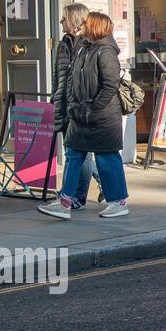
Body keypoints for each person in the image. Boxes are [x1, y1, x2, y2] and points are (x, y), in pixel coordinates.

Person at [39, 12, 130, 219]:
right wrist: (73, 104)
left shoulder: (106, 51)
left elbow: (110, 85)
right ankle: (65, 201)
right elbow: (72, 79)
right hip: (80, 115)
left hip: (102, 117)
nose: (83, 26)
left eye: (87, 23)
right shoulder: (85, 49)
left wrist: (92, 107)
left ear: (96, 26)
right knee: (73, 155)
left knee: (107, 158)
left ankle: (118, 202)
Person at [44, 3, 98, 211]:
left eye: (64, 18)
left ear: (75, 20)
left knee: (80, 152)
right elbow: (58, 76)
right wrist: (54, 97)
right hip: (64, 103)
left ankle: (77, 196)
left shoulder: (90, 44)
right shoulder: (63, 43)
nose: (61, 22)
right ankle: (71, 194)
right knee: (73, 151)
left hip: (81, 105)